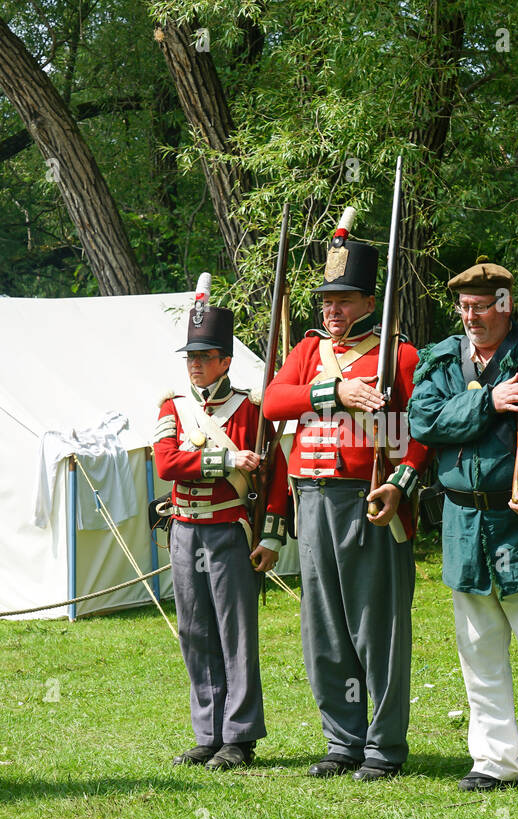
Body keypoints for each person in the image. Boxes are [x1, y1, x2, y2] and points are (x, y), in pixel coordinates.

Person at [408, 259, 518, 797]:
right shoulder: (441, 361)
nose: (472, 318)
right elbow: (424, 422)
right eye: (465, 308)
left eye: (483, 307)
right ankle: (494, 759)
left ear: (507, 305)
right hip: (464, 525)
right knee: (479, 651)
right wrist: (486, 401)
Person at [260, 210, 428, 781]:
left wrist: (399, 484)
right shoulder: (309, 352)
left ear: (368, 300)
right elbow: (273, 403)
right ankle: (342, 739)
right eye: (327, 300)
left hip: (367, 500)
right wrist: (337, 391)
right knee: (324, 626)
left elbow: (419, 432)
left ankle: (383, 745)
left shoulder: (398, 355)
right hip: (311, 498)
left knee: (375, 627)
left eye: (345, 299)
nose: (333, 310)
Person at [152, 280, 288, 770]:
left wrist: (271, 536)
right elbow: (166, 464)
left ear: (226, 360)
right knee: (194, 631)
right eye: (191, 355)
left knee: (236, 633)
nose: (195, 364)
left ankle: (240, 735)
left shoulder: (250, 410)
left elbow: (277, 477)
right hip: (185, 529)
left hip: (230, 529)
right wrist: (223, 458)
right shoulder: (174, 407)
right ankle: (207, 732)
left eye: (206, 355)